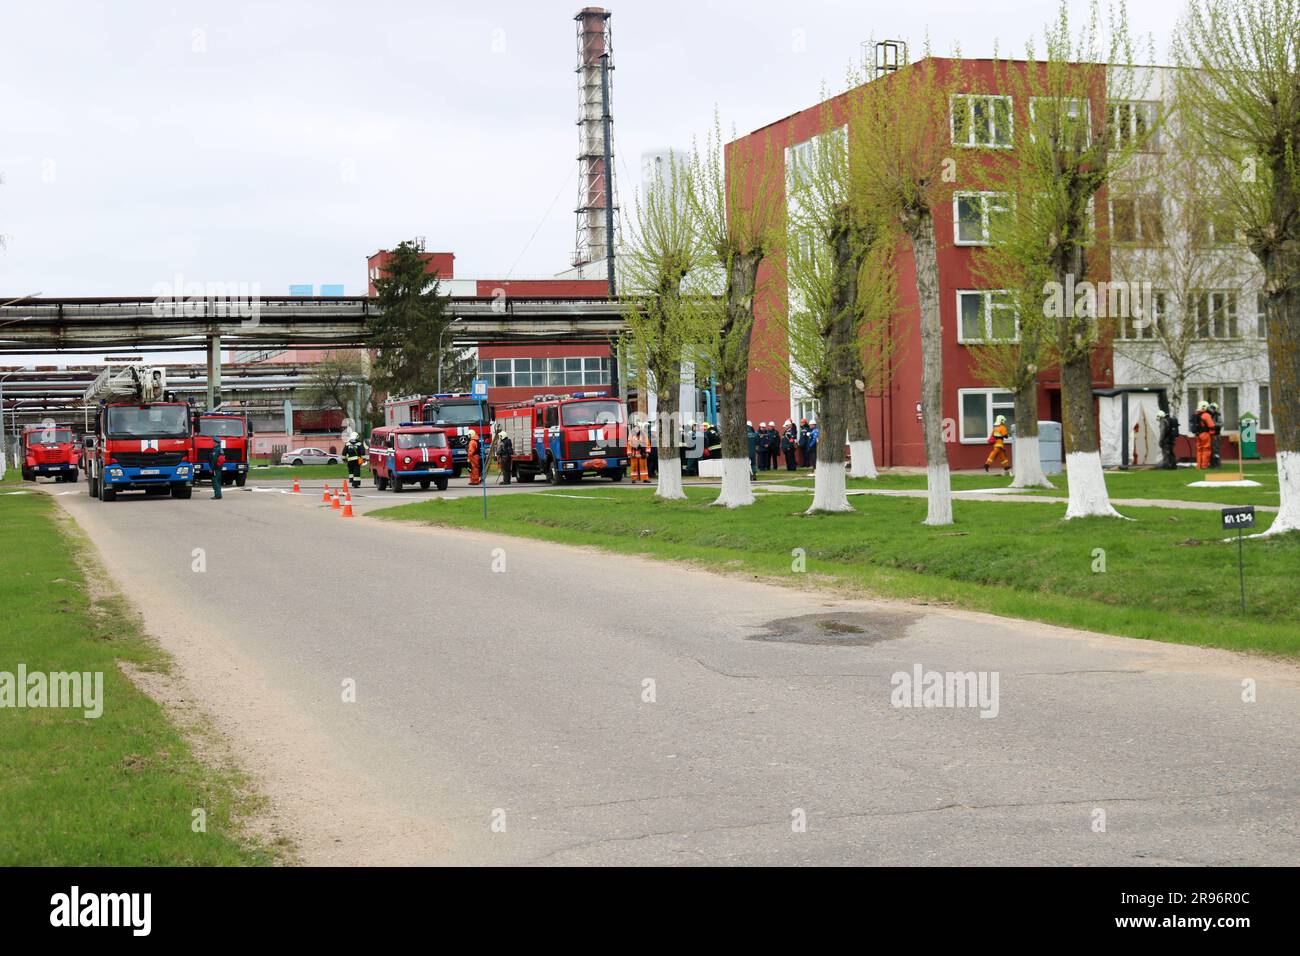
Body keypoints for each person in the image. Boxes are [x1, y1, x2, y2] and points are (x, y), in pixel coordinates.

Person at [1195, 401, 1215, 470]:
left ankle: (1198, 466)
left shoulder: (1197, 414)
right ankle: (1204, 466)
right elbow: (1211, 425)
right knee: (1206, 449)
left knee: (1199, 450)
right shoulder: (1206, 415)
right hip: (1205, 434)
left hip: (1198, 434)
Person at [1208, 401, 1223, 468]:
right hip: (1208, 434)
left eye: (1212, 408)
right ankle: (1211, 463)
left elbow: (1221, 424)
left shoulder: (1217, 415)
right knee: (1209, 449)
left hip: (1216, 435)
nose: (1211, 409)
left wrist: (1214, 425)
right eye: (1210, 407)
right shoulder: (1208, 415)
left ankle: (1216, 464)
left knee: (1215, 449)